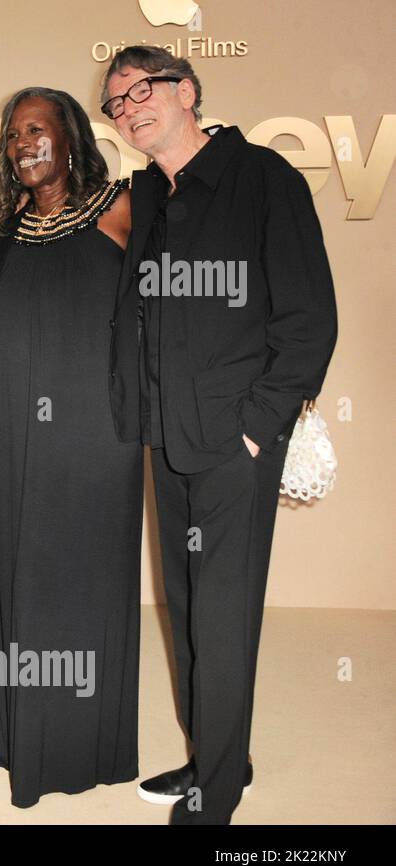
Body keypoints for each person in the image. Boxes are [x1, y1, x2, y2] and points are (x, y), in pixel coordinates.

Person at [101, 47, 338, 823]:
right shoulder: (150, 196)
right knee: (188, 613)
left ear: (188, 91)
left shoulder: (264, 178)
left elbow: (308, 322)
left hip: (234, 444)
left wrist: (256, 430)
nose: (131, 107)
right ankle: (215, 756)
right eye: (116, 102)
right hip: (167, 441)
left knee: (223, 616)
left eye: (143, 90)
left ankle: (218, 792)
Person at [0, 88, 141, 808]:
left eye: (37, 129)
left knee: (83, 589)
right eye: (12, 134)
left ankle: (82, 746)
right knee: (26, 587)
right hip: (14, 439)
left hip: (93, 440)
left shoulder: (123, 208)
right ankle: (27, 740)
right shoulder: (6, 228)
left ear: (71, 137)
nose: (21, 142)